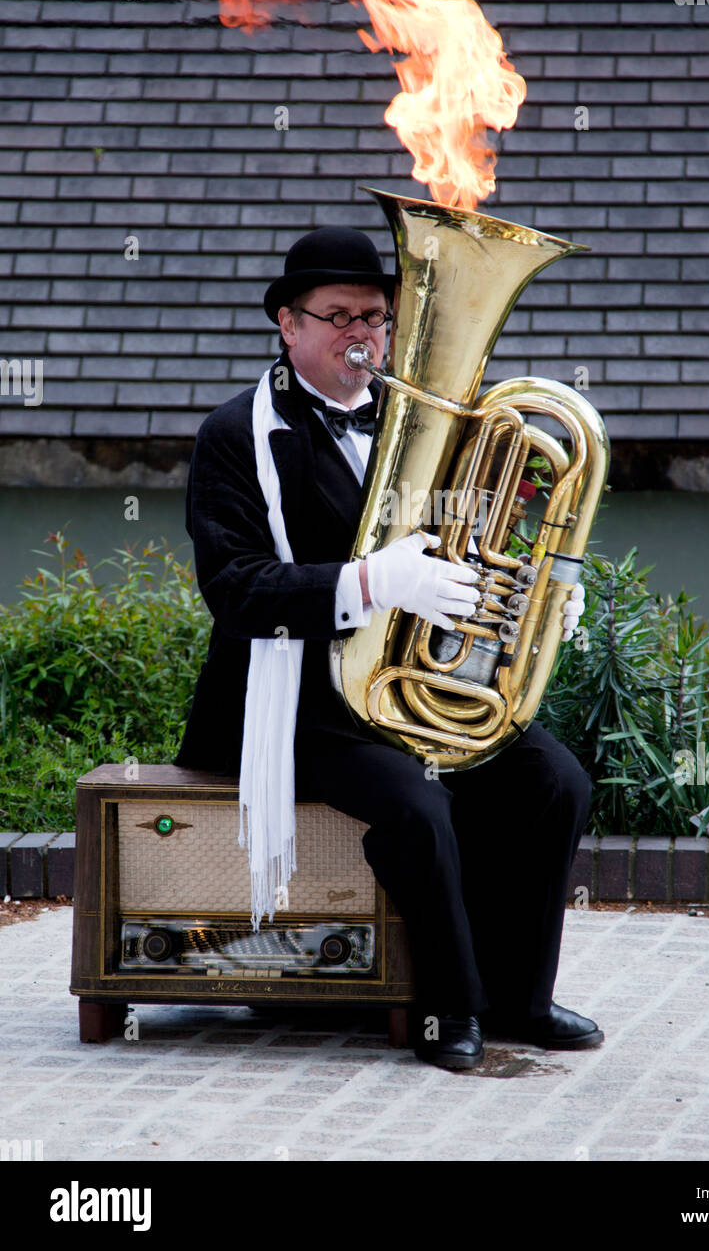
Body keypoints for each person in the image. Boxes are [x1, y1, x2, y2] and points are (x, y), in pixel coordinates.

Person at [174, 224, 604, 1070]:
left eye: (373, 314)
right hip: (297, 701)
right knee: (416, 806)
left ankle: (520, 996)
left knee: (556, 782)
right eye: (335, 316)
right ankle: (450, 1011)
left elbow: (472, 548)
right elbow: (236, 590)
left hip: (407, 684)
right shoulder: (235, 436)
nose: (359, 333)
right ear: (287, 325)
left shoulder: (435, 422)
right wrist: (368, 584)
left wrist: (537, 598)